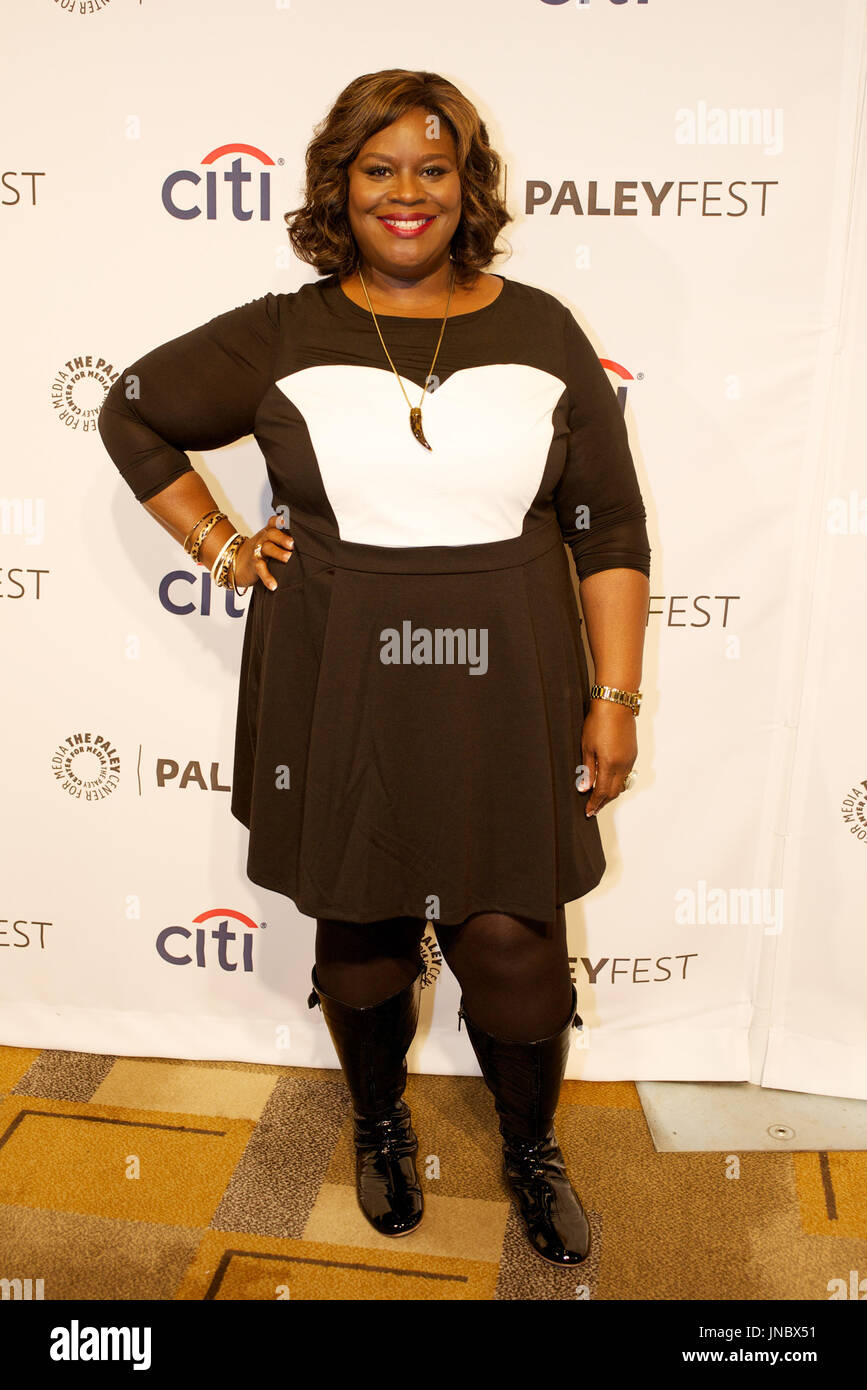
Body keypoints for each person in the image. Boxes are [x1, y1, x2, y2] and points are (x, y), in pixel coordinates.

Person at [97, 69, 651, 1269]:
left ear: (469, 186)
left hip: (512, 674)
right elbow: (131, 409)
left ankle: (530, 1147)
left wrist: (614, 696)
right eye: (379, 169)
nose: (407, 193)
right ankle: (382, 1123)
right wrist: (221, 543)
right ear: (339, 188)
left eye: (432, 169)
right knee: (363, 929)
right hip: (340, 665)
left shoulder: (543, 327)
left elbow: (608, 527)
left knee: (513, 941)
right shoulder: (285, 331)